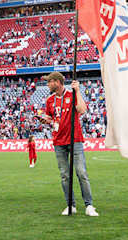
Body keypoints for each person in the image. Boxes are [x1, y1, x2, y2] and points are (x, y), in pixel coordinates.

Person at [35, 72, 98, 216]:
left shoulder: (72, 95)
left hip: (74, 139)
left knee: (81, 172)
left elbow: (82, 110)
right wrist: (45, 120)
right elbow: (50, 118)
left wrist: (77, 91)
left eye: (49, 81)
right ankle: (71, 205)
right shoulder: (50, 100)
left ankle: (89, 205)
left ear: (57, 82)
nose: (47, 84)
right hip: (58, 141)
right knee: (64, 175)